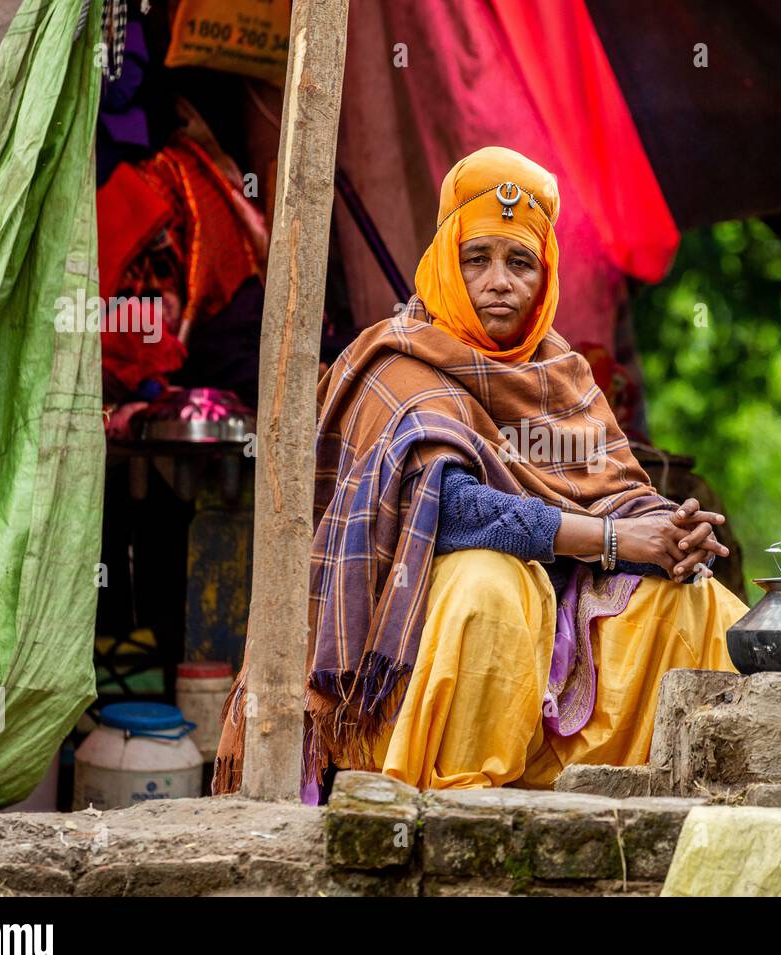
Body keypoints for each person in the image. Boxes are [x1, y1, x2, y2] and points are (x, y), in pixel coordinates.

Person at [213, 146, 747, 797]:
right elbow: (450, 508)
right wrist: (611, 540)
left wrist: (669, 534)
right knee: (488, 584)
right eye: (478, 259)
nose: (500, 281)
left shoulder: (560, 375)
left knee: (697, 606)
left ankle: (675, 803)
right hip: (411, 638)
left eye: (520, 262)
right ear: (446, 262)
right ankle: (452, 804)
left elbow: (620, 496)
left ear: (545, 274)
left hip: (558, 623)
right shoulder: (393, 362)